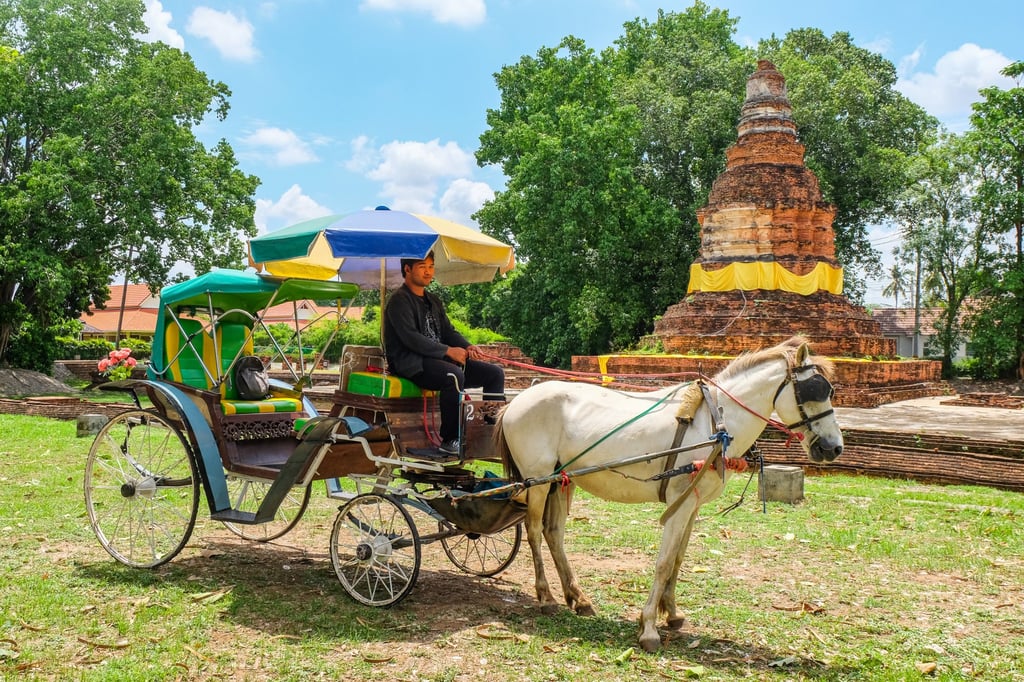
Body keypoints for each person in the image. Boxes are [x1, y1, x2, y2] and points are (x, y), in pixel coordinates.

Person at [382, 251, 505, 455]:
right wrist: (447, 351)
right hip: (412, 364)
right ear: (407, 269)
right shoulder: (398, 301)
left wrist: (467, 347)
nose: (429, 272)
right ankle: (450, 440)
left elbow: (448, 331)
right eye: (423, 267)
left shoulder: (433, 300)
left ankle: (492, 430)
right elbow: (411, 338)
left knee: (494, 374)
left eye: (431, 266)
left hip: (438, 361)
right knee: (453, 375)